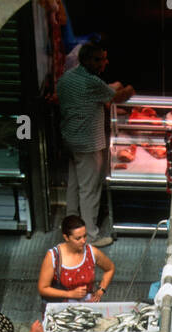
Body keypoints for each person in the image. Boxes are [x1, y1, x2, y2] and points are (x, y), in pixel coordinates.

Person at [56, 43, 134, 248]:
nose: (104, 63)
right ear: (87, 60)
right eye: (99, 59)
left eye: (105, 58)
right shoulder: (91, 82)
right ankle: (89, 235)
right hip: (88, 144)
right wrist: (129, 89)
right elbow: (117, 98)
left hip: (70, 140)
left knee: (74, 187)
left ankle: (70, 229)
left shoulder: (67, 78)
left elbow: (102, 92)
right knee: (89, 190)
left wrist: (112, 87)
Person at [37, 215, 116, 307]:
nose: (83, 241)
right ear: (66, 237)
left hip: (87, 306)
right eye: (78, 238)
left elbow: (110, 268)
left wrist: (101, 290)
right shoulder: (53, 256)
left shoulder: (92, 252)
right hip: (62, 309)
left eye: (85, 236)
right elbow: (43, 288)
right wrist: (69, 294)